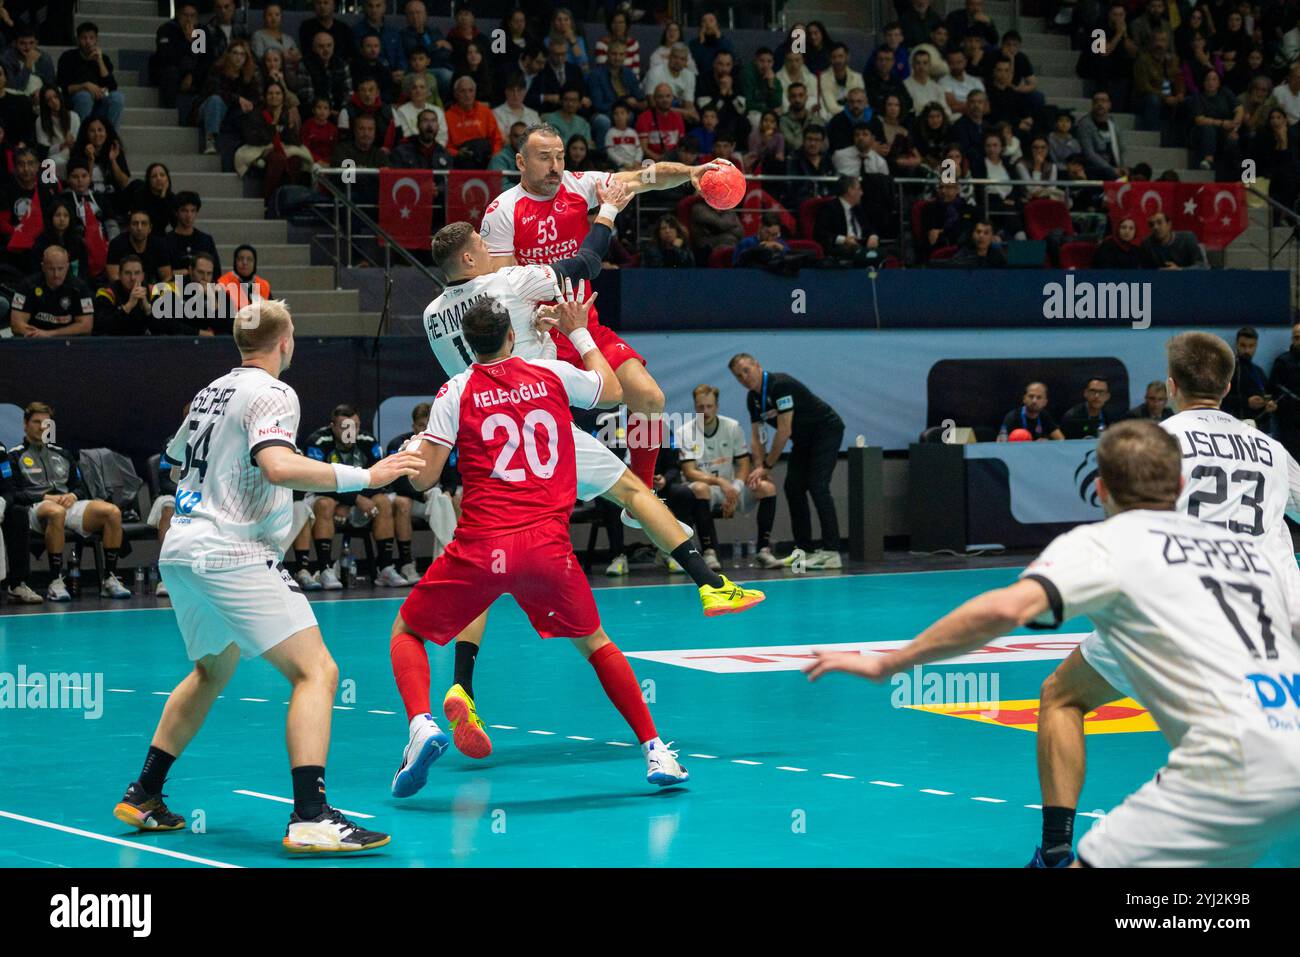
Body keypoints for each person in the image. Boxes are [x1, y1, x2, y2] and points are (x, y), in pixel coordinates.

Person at [807, 416, 1300, 868]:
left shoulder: (1107, 543)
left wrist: (889, 664)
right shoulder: (1250, 555)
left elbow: (1004, 608)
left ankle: (1055, 852)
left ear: (1100, 489)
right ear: (1179, 485)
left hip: (1227, 765)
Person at [112, 299, 421, 852]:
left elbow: (174, 454)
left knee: (212, 670)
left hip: (183, 547)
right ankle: (310, 815)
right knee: (317, 672)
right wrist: (365, 475)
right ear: (285, 342)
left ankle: (145, 792)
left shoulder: (211, 390)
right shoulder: (276, 393)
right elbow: (276, 465)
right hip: (233, 550)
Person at [389, 288, 693, 794]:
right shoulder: (550, 375)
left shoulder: (455, 392)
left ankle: (421, 726)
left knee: (406, 632)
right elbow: (614, 390)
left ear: (466, 345)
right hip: (547, 547)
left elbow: (426, 480)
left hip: (481, 547)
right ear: (512, 336)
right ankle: (655, 751)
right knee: (596, 645)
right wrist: (578, 330)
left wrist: (410, 456)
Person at [1027, 331, 1300, 865]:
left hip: (1178, 613)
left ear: (1171, 385)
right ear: (1227, 386)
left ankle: (1056, 852)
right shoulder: (1270, 448)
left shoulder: (1158, 442)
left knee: (1062, 696)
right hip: (1271, 621)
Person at [479, 123, 724, 495]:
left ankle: (641, 495)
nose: (555, 166)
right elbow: (500, 290)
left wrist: (690, 173)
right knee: (548, 443)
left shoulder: (579, 184)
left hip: (586, 330)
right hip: (538, 342)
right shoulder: (502, 212)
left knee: (650, 398)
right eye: (544, 158)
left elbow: (645, 177)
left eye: (559, 156)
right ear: (520, 161)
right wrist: (533, 315)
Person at [730, 354, 844, 570]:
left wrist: (768, 466)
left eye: (747, 370)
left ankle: (831, 552)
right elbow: (756, 437)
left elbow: (784, 431)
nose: (744, 377)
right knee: (793, 488)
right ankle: (805, 550)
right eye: (739, 376)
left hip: (825, 431)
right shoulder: (752, 399)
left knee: (818, 486)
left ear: (757, 365)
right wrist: (759, 466)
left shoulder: (780, 385)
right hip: (803, 439)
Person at [8, 400, 131, 600]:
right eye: (36, 422)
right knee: (56, 512)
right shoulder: (14, 456)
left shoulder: (62, 454)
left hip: (68, 504)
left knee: (112, 512)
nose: (42, 427)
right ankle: (55, 581)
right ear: (25, 424)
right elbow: (13, 494)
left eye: (46, 423)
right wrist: (45, 496)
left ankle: (110, 579)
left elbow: (80, 487)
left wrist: (73, 495)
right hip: (36, 507)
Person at [301, 404, 410, 590]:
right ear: (333, 426)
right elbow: (317, 482)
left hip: (357, 497)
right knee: (325, 504)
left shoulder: (367, 441)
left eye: (356, 426)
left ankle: (384, 568)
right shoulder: (318, 442)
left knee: (383, 502)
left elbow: (380, 480)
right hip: (322, 496)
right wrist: (354, 500)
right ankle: (325, 569)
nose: (351, 432)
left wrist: (352, 502)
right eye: (345, 427)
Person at [678, 383, 778, 571]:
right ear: (695, 407)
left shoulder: (732, 427)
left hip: (732, 487)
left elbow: (743, 464)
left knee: (767, 488)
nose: (705, 411)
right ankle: (709, 552)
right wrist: (720, 483)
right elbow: (690, 472)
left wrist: (735, 489)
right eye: (701, 407)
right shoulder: (685, 432)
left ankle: (763, 550)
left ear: (717, 406)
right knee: (700, 488)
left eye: (709, 406)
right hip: (705, 488)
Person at [10, 246, 95, 338]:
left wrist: (49, 334)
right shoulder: (27, 286)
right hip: (34, 341)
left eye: (60, 269)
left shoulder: (80, 288)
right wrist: (38, 334)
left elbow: (86, 326)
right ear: (43, 267)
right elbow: (16, 325)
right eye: (51, 269)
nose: (56, 275)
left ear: (67, 267)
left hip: (68, 342)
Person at [58, 21, 125, 129]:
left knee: (118, 97)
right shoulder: (67, 57)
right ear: (78, 40)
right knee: (84, 96)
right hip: (77, 103)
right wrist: (84, 86)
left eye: (91, 38)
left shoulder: (104, 59)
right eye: (84, 38)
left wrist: (100, 61)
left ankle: (110, 137)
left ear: (96, 40)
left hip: (99, 103)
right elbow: (62, 88)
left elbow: (112, 87)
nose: (88, 42)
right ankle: (84, 137)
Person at [1222, 325, 1275, 426]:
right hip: (1236, 426)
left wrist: (1270, 404)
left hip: (1260, 428)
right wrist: (1246, 402)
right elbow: (1220, 399)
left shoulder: (1259, 372)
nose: (1247, 350)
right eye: (1243, 345)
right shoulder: (1229, 370)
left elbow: (1269, 395)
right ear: (1237, 345)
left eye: (1251, 346)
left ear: (1256, 346)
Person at [1140, 211, 1207, 268]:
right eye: (1151, 225)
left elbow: (1201, 266)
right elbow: (1144, 271)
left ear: (1169, 225)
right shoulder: (1147, 244)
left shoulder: (1187, 238)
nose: (1155, 227)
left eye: (1159, 223)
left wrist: (1179, 270)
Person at [1000, 381, 1065, 440]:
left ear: (1045, 402)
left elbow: (1061, 439)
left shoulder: (1044, 416)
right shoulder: (1012, 417)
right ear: (1024, 399)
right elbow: (1000, 442)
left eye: (1039, 397)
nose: (1034, 401)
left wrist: (1047, 443)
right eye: (1031, 396)